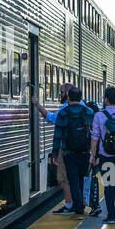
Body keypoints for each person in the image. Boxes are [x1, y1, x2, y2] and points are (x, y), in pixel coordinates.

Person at [89, 86, 115, 224]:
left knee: (108, 185)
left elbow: (95, 137)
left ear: (106, 99)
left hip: (106, 156)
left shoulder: (99, 116)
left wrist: (92, 155)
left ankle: (111, 216)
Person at [52, 85, 94, 215]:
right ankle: (82, 203)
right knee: (83, 178)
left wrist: (55, 153)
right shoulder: (89, 112)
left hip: (69, 152)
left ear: (68, 98)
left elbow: (57, 134)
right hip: (85, 152)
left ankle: (78, 207)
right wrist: (95, 152)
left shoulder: (63, 113)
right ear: (81, 98)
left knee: (73, 179)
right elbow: (94, 133)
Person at [35, 83, 73, 213]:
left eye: (62, 92)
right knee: (77, 178)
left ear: (68, 93)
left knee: (64, 179)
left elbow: (51, 119)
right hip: (82, 150)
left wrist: (37, 105)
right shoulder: (85, 108)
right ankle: (79, 204)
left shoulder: (65, 109)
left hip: (67, 149)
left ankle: (69, 206)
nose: (60, 95)